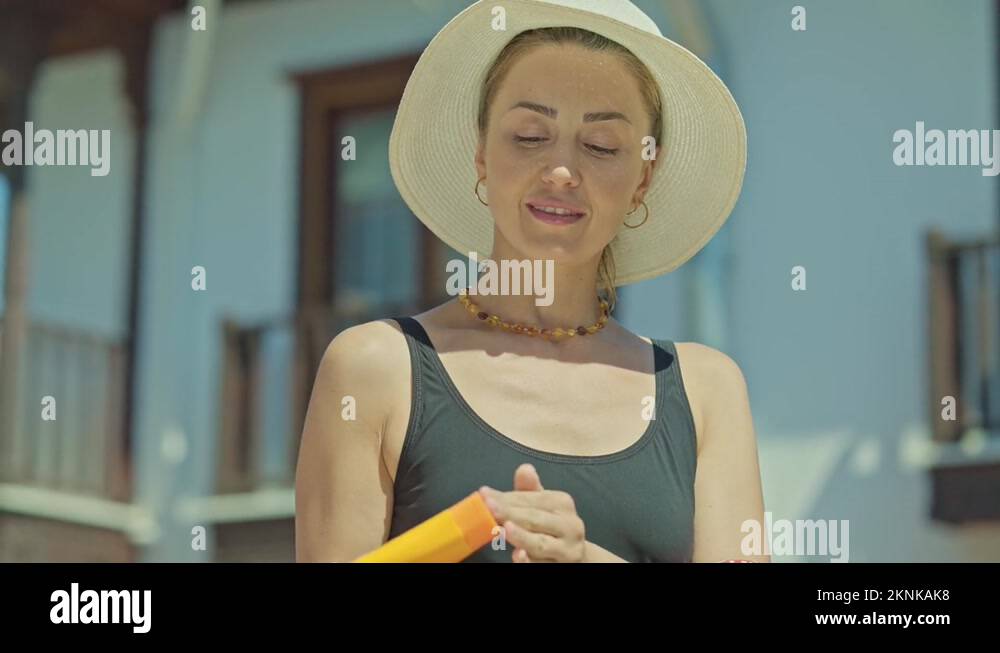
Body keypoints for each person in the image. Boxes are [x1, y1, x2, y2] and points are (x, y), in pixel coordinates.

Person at [295, 0, 767, 563]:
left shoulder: (705, 391)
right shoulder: (374, 369)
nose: (562, 171)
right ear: (481, 156)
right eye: (528, 135)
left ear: (643, 177)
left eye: (601, 146)